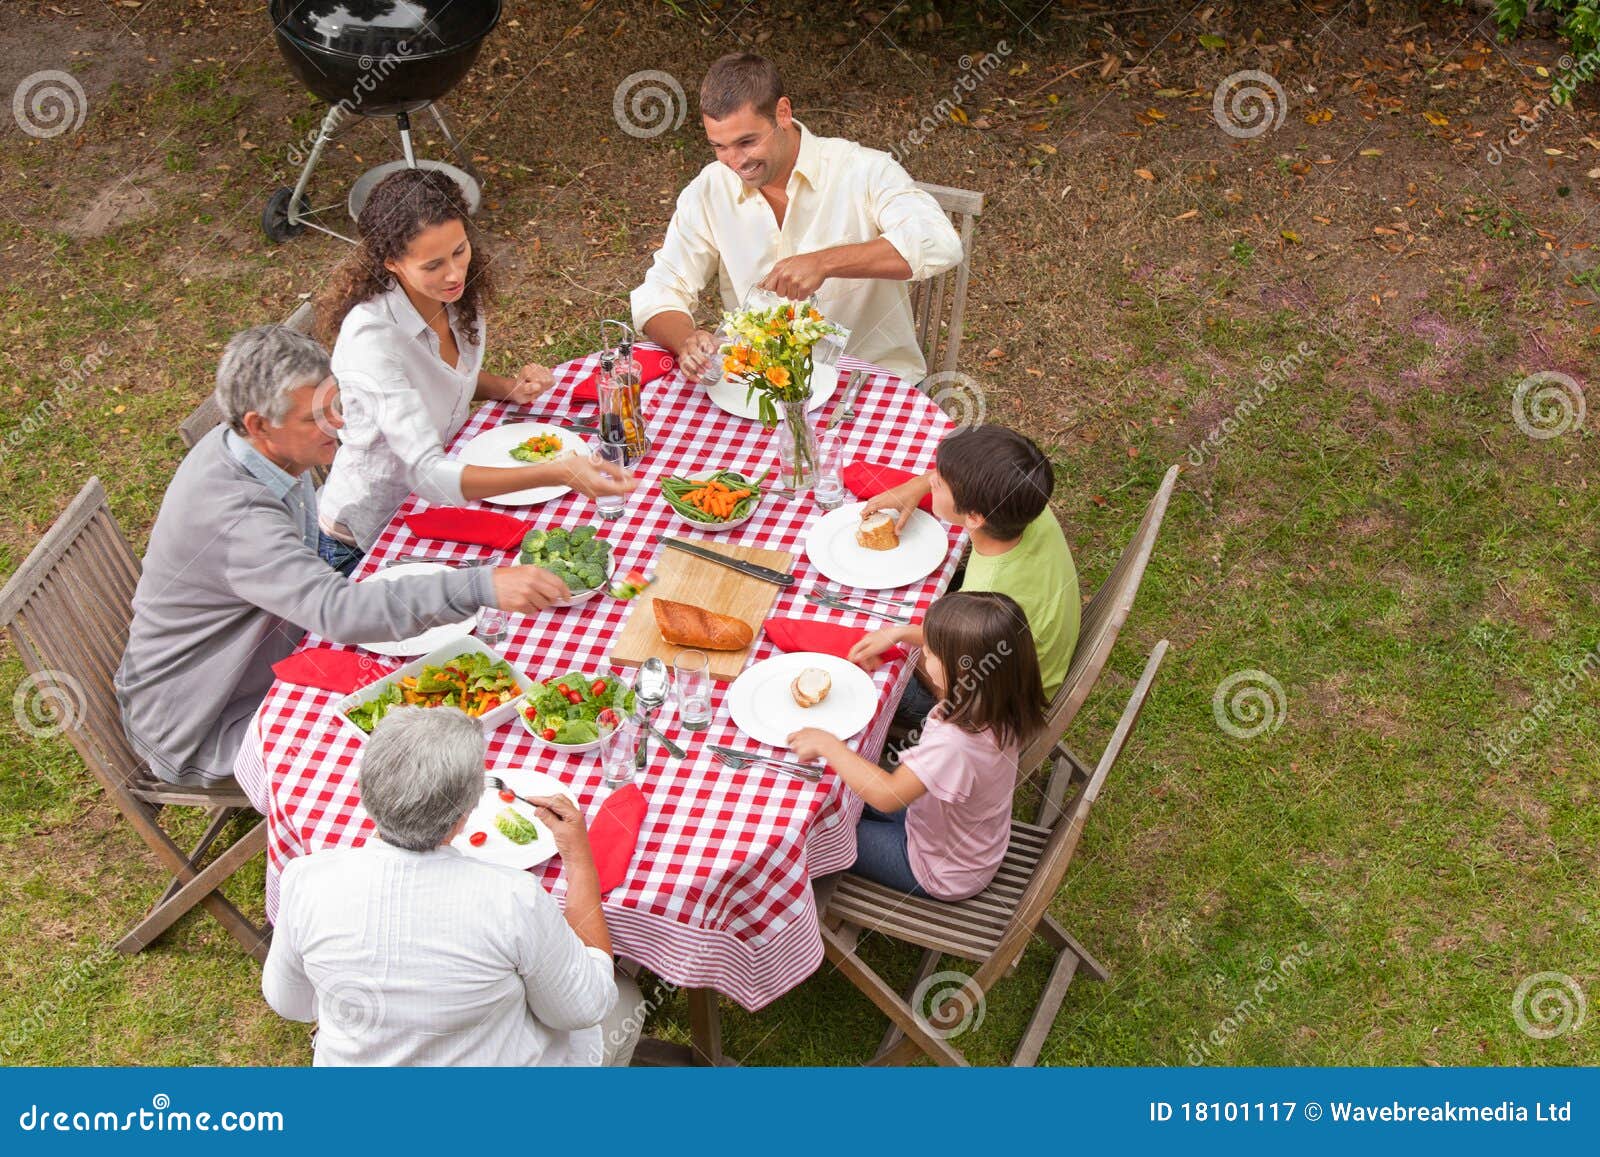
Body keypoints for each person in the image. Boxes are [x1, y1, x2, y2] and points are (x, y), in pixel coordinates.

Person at [115, 325, 573, 788]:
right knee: (421, 758)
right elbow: (338, 612)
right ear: (257, 425)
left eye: (333, 404)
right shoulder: (237, 519)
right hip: (207, 721)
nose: (338, 423)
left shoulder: (251, 450)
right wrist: (480, 585)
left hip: (279, 650)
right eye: (314, 418)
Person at [262, 707, 642, 1065]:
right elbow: (584, 1007)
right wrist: (578, 859)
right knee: (625, 999)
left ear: (364, 789)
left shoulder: (306, 878)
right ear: (466, 811)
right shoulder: (513, 897)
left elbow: (290, 1002)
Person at [317, 168, 635, 571]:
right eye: (433, 265)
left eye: (459, 250)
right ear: (392, 263)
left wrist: (508, 389)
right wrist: (558, 472)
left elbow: (440, 379)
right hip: (369, 537)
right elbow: (429, 476)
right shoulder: (372, 341)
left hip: (446, 499)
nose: (454, 274)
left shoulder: (455, 295)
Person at [630, 52, 964, 386]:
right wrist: (685, 338)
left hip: (865, 385)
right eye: (720, 146)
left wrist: (825, 262)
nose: (735, 162)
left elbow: (939, 242)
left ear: (783, 113)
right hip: (759, 385)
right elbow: (662, 287)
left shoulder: (864, 170)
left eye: (747, 142)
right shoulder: (710, 188)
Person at [790, 592, 1047, 900]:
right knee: (841, 799)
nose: (924, 652)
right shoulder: (996, 699)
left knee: (813, 838)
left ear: (960, 667)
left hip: (936, 869)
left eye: (932, 650)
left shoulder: (955, 744)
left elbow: (888, 796)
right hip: (958, 837)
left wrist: (829, 745)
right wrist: (898, 633)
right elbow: (966, 648)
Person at [848, 425, 1079, 721]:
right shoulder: (1022, 499)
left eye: (940, 483)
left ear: (974, 517)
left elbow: (957, 656)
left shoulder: (989, 591)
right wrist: (918, 486)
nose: (931, 479)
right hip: (1026, 655)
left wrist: (899, 633)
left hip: (999, 706)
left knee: (880, 682)